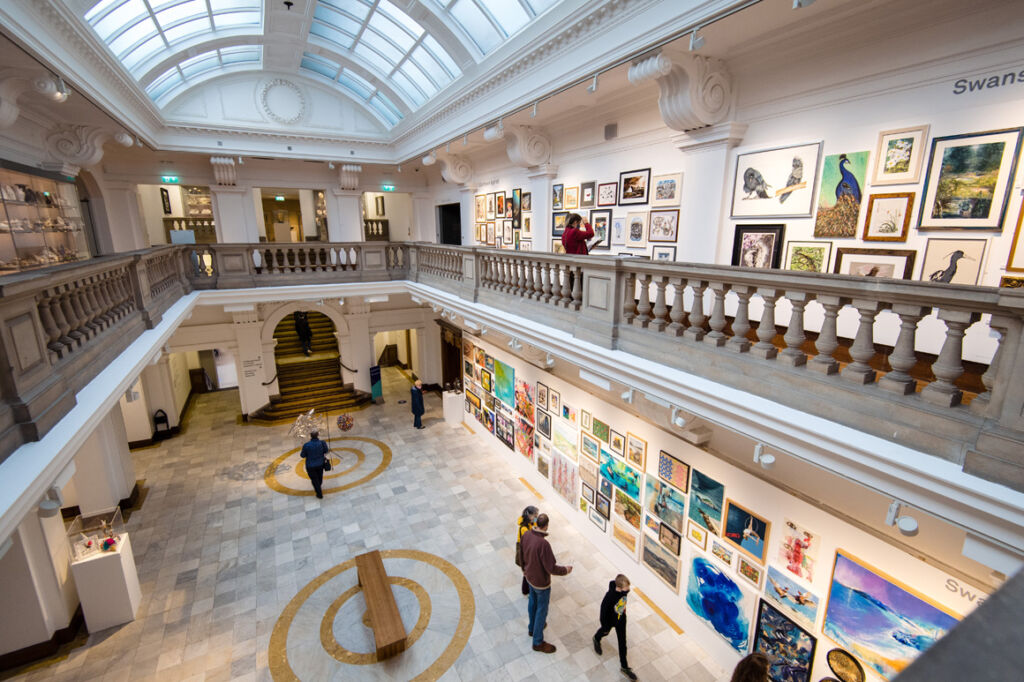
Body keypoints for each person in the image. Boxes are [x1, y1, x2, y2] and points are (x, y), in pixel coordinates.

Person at [521, 513, 572, 653]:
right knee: (541, 610)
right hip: (541, 584)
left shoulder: (526, 535)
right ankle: (537, 641)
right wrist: (565, 570)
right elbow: (551, 567)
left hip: (529, 577)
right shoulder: (543, 544)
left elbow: (521, 553)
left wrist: (524, 570)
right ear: (547, 526)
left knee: (532, 603)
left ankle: (532, 628)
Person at [593, 574, 637, 680]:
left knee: (622, 642)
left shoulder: (623, 592)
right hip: (609, 621)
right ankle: (596, 638)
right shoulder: (610, 596)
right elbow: (603, 612)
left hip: (621, 620)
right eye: (626, 588)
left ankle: (624, 667)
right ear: (619, 588)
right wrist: (605, 625)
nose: (628, 590)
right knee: (605, 631)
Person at [515, 506, 539, 596]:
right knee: (527, 572)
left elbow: (535, 527)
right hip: (524, 550)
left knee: (527, 571)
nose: (536, 517)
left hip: (527, 548)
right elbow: (529, 540)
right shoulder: (524, 528)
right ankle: (526, 590)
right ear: (529, 516)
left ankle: (526, 589)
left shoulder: (531, 523)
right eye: (535, 515)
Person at [300, 430, 329, 498]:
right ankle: (318, 487)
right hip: (320, 464)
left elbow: (302, 455)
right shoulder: (322, 443)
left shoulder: (306, 445)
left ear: (310, 436)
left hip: (310, 466)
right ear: (317, 435)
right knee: (319, 477)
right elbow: (326, 451)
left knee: (314, 479)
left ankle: (319, 493)